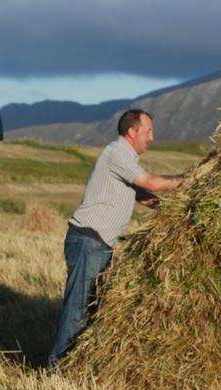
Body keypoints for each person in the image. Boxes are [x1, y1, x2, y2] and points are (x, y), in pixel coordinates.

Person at [48, 109, 183, 366]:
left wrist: (173, 209)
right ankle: (57, 366)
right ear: (132, 131)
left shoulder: (125, 158)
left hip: (98, 243)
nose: (152, 137)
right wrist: (188, 180)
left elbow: (146, 196)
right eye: (148, 131)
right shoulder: (118, 153)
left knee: (92, 308)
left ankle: (76, 364)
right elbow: (152, 183)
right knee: (78, 308)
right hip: (89, 240)